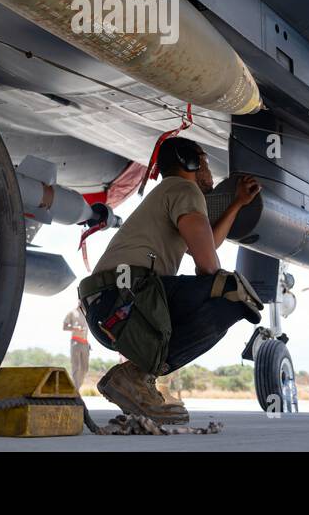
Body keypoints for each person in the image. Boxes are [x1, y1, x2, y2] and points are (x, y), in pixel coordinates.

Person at [78, 136, 262, 423]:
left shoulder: (169, 193)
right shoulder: (185, 189)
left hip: (110, 307)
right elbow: (210, 267)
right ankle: (137, 377)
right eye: (204, 161)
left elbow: (206, 244)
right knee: (232, 294)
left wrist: (237, 204)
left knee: (221, 288)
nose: (208, 171)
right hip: (127, 300)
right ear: (188, 162)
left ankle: (136, 377)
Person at [62, 305, 90, 392]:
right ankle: (76, 390)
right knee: (76, 367)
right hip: (75, 342)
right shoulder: (72, 312)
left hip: (85, 343)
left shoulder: (87, 314)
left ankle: (77, 388)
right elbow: (64, 327)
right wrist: (75, 328)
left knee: (85, 368)